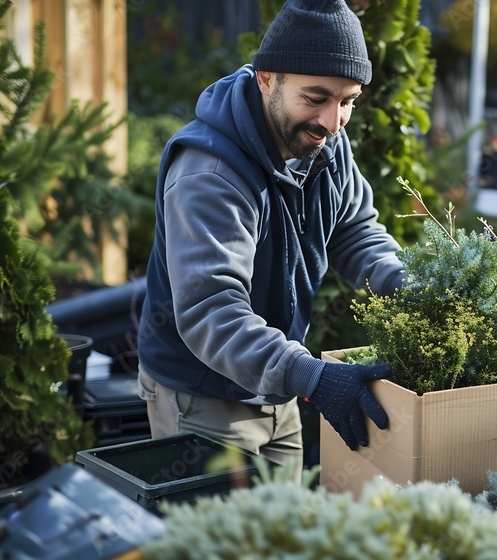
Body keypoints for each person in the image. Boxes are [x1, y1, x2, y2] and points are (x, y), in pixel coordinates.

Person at [136, 0, 402, 477]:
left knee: (284, 538)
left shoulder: (323, 142)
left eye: (347, 102)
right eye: (315, 97)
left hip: (275, 384)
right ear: (266, 78)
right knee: (229, 547)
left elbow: (354, 230)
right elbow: (210, 312)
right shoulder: (210, 173)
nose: (331, 120)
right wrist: (313, 377)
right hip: (204, 397)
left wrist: (408, 288)